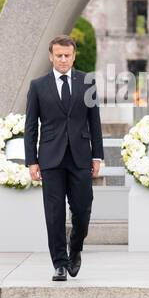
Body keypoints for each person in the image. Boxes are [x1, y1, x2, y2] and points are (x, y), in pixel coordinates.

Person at [24, 35, 103, 281]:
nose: (63, 59)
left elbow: (95, 122)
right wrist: (31, 161)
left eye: (67, 55)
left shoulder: (87, 82)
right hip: (50, 158)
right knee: (54, 213)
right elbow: (30, 126)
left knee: (82, 209)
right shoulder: (38, 86)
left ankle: (75, 247)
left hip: (80, 157)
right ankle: (59, 263)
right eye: (58, 55)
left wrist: (97, 156)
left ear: (73, 56)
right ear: (51, 56)